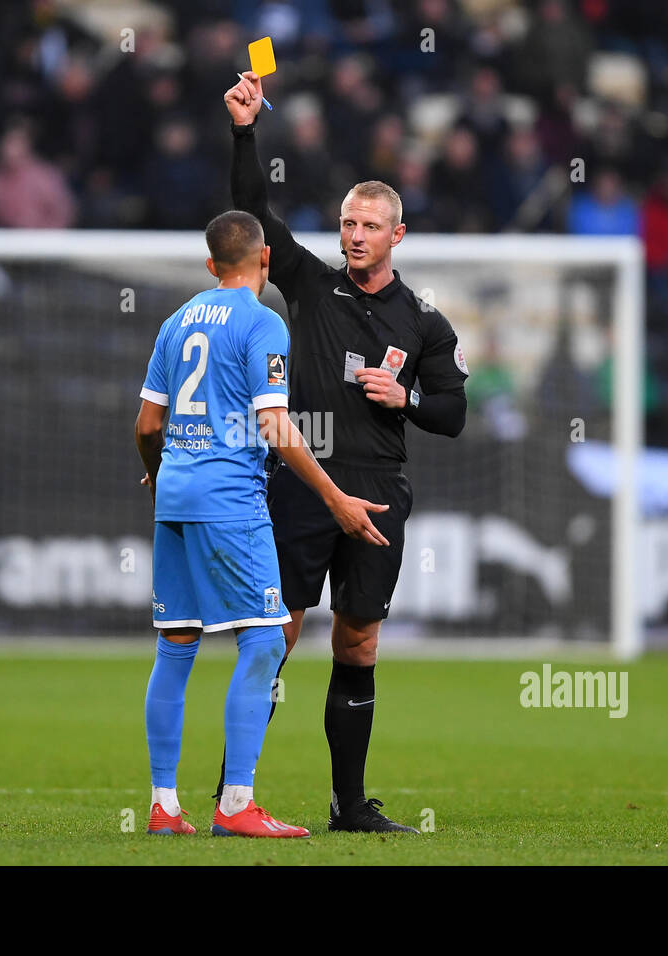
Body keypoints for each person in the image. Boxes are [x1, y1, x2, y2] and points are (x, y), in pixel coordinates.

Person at [220, 72, 469, 833]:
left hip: (379, 490)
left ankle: (349, 805)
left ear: (397, 235)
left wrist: (411, 402)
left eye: (368, 225)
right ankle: (237, 798)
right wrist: (243, 132)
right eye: (346, 223)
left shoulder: (425, 324)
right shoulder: (309, 285)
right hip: (304, 482)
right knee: (279, 633)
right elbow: (254, 216)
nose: (353, 234)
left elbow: (455, 413)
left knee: (358, 642)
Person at [134, 210, 390, 838]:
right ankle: (234, 804)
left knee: (175, 645)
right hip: (230, 498)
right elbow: (275, 426)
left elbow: (146, 425)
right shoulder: (263, 323)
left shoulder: (176, 322)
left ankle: (164, 805)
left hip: (176, 495)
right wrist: (333, 495)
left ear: (210, 264)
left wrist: (159, 473)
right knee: (266, 640)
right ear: (266, 261)